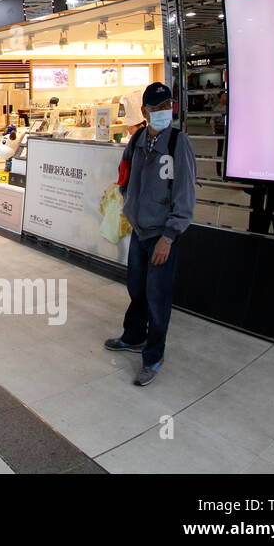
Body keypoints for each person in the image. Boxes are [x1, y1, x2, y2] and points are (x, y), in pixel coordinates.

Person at [106, 82, 196, 387]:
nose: (162, 112)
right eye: (156, 108)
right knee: (137, 289)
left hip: (161, 235)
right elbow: (125, 174)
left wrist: (169, 236)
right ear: (145, 111)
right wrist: (129, 202)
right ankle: (133, 336)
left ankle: (153, 356)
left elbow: (185, 193)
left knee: (158, 297)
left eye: (166, 106)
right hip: (140, 230)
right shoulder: (138, 140)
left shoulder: (177, 143)